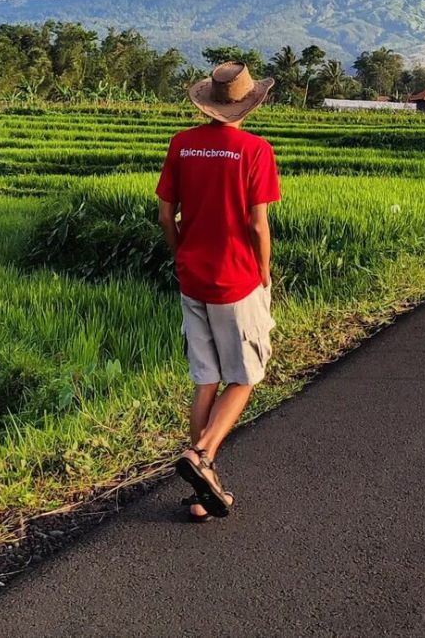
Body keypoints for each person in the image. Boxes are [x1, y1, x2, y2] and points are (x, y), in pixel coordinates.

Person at [156, 61, 280, 523]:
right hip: (237, 280)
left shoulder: (183, 145)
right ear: (249, 103)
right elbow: (256, 224)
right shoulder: (255, 150)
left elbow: (167, 216)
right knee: (246, 377)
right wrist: (264, 272)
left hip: (193, 276)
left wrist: (180, 254)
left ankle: (200, 494)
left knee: (206, 377)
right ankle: (202, 455)